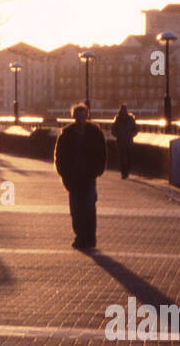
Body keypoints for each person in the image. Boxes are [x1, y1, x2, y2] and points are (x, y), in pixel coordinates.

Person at [54, 103, 107, 249]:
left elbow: (102, 152)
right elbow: (59, 155)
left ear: (87, 116)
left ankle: (90, 238)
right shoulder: (66, 133)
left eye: (83, 116)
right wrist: (63, 173)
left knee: (89, 208)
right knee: (76, 210)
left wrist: (98, 170)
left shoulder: (95, 131)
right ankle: (80, 237)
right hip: (73, 177)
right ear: (74, 117)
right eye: (78, 116)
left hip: (89, 176)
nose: (81, 119)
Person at [111, 103, 138, 179]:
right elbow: (113, 130)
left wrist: (132, 134)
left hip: (129, 141)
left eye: (124, 109)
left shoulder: (131, 119)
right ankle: (124, 172)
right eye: (122, 109)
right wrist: (118, 135)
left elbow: (135, 129)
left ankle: (127, 170)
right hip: (120, 141)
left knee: (129, 157)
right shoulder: (117, 119)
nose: (123, 111)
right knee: (122, 157)